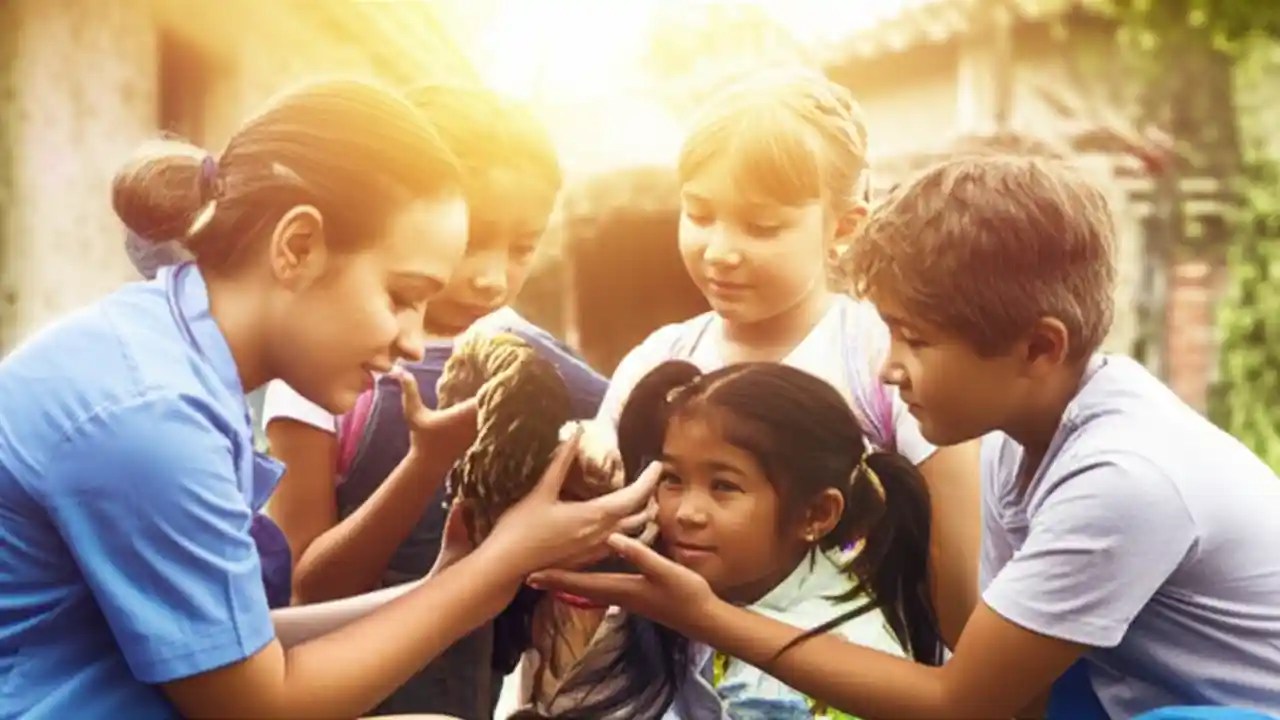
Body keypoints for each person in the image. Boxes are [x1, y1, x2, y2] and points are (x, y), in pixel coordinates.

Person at [530, 154, 1280, 719]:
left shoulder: (1124, 478)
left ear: (1038, 348)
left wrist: (704, 615)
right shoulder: (1024, 436)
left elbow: (961, 703)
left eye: (915, 341)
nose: (888, 369)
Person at [0, 78, 655, 720]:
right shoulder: (148, 417)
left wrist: (454, 579)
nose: (411, 340)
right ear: (298, 247)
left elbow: (241, 647)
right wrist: (500, 564)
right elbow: (259, 704)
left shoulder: (171, 361)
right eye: (401, 297)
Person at [583, 67, 980, 648]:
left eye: (761, 226)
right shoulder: (658, 364)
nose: (720, 251)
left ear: (842, 227)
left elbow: (959, 597)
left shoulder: (884, 360)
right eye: (698, 215)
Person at [261, 82, 607, 718]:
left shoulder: (551, 373)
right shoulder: (320, 369)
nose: (491, 276)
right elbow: (307, 590)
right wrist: (425, 464)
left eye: (522, 246)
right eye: (472, 239)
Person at [522, 361, 942, 719]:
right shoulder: (691, 591)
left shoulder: (822, 663)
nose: (687, 512)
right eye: (672, 479)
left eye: (723, 486)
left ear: (815, 514)